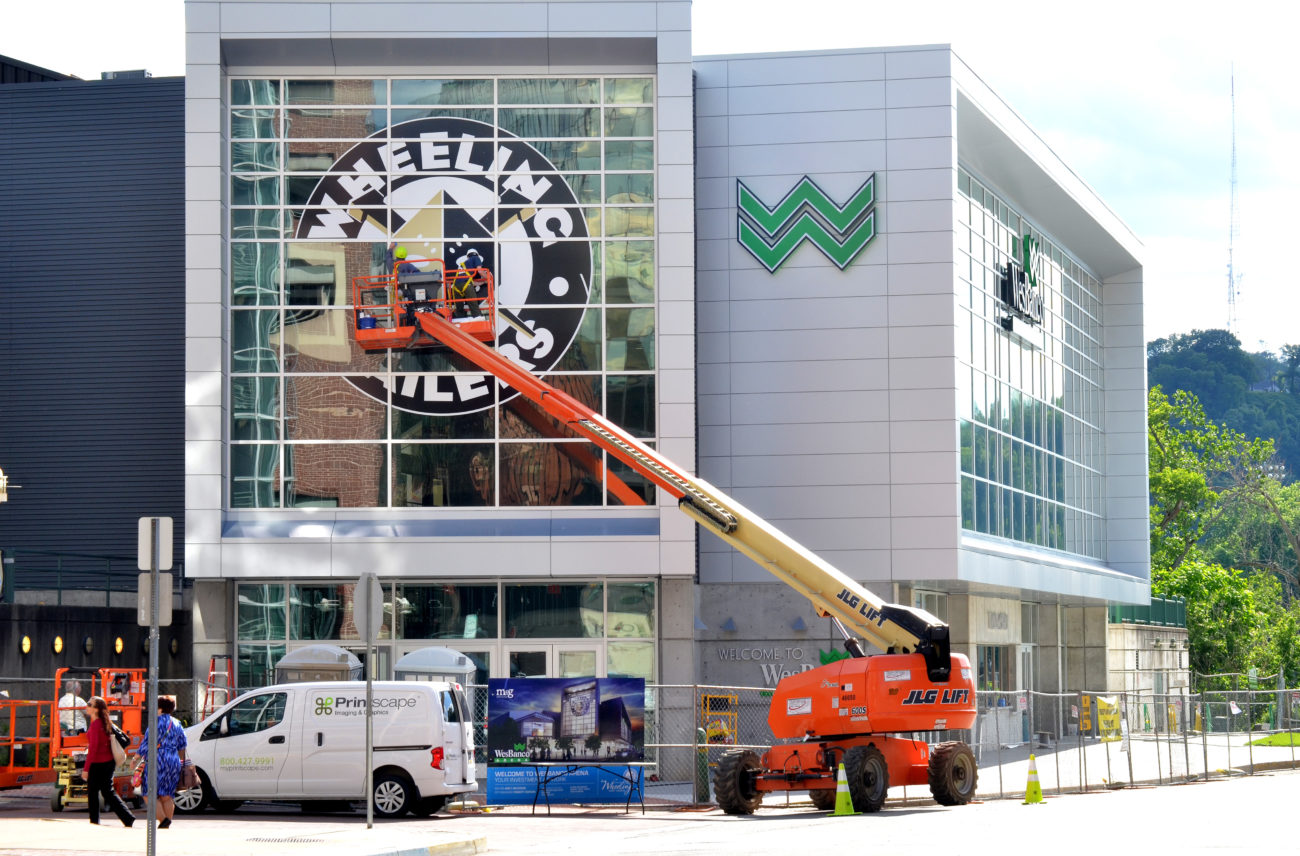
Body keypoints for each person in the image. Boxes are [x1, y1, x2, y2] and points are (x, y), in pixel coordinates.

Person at [135, 696, 187, 828]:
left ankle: (163, 820)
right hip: (173, 760)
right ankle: (166, 824)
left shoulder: (155, 722)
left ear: (159, 708)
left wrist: (136, 758)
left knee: (149, 793)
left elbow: (147, 743)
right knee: (167, 795)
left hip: (157, 759)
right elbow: (182, 744)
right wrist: (180, 762)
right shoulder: (176, 723)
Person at [84, 697, 135, 827]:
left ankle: (94, 820)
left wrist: (86, 769)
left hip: (97, 763)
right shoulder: (105, 722)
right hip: (108, 762)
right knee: (107, 791)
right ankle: (127, 817)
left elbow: (94, 748)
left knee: (93, 792)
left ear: (96, 709)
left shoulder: (96, 724)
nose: (87, 706)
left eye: (89, 704)